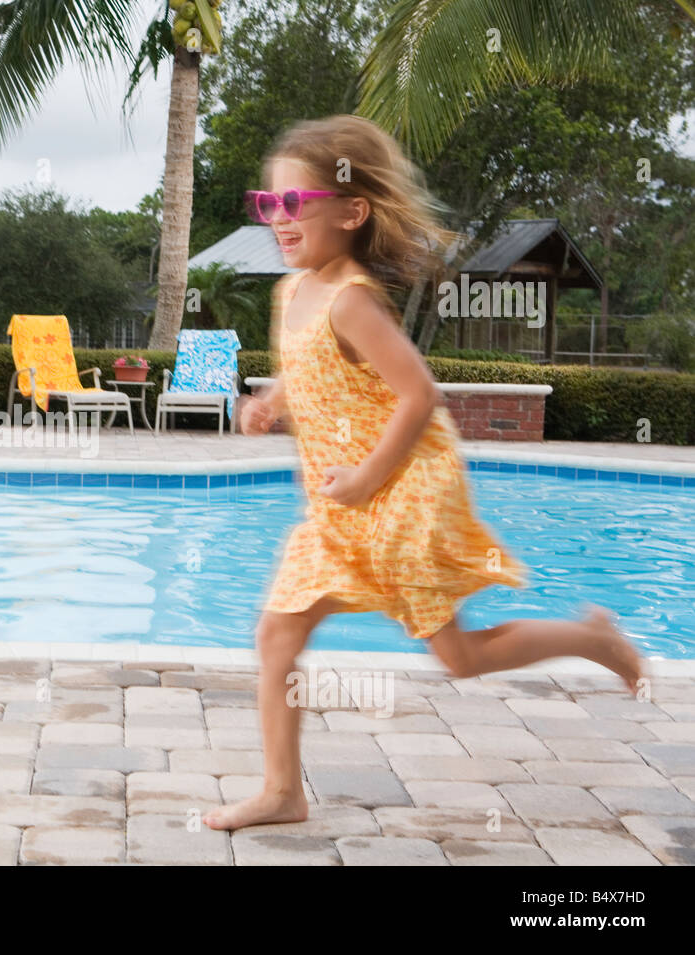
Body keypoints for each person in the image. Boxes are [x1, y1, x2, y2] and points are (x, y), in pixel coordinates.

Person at [203, 115, 644, 831]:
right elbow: (311, 369)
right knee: (276, 634)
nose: (279, 219)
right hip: (339, 498)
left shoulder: (352, 297)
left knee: (461, 656)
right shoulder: (294, 293)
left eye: (295, 204)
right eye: (269, 204)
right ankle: (282, 791)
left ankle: (592, 638)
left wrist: (370, 479)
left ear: (352, 211)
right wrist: (272, 400)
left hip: (403, 487)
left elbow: (419, 395)